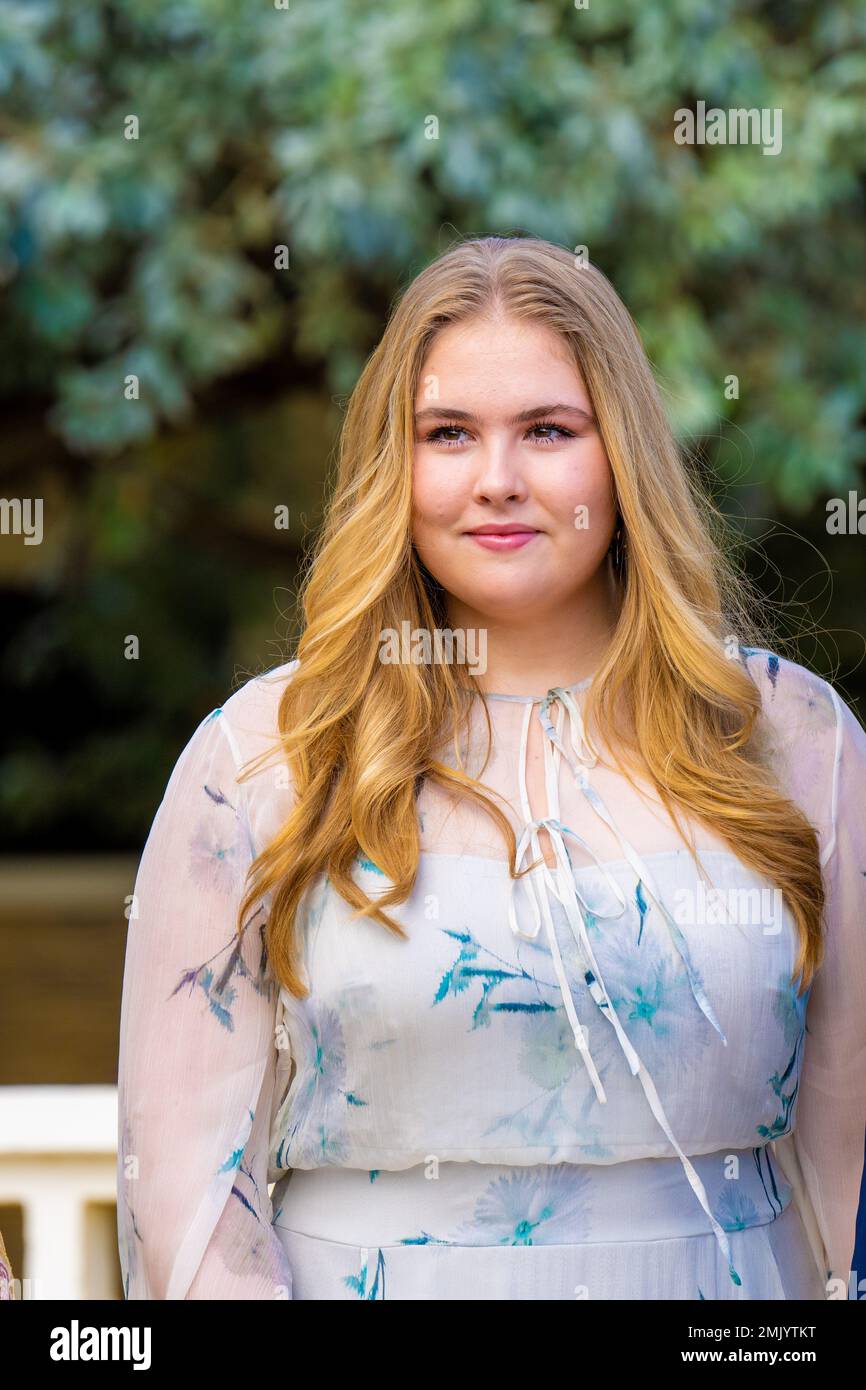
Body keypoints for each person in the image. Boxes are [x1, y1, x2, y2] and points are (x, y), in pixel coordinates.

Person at [116, 234, 866, 1300]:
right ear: (396, 462)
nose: (498, 481)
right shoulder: (264, 756)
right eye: (449, 434)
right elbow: (189, 1197)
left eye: (548, 430)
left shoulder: (791, 737)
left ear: (622, 454)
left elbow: (852, 1154)